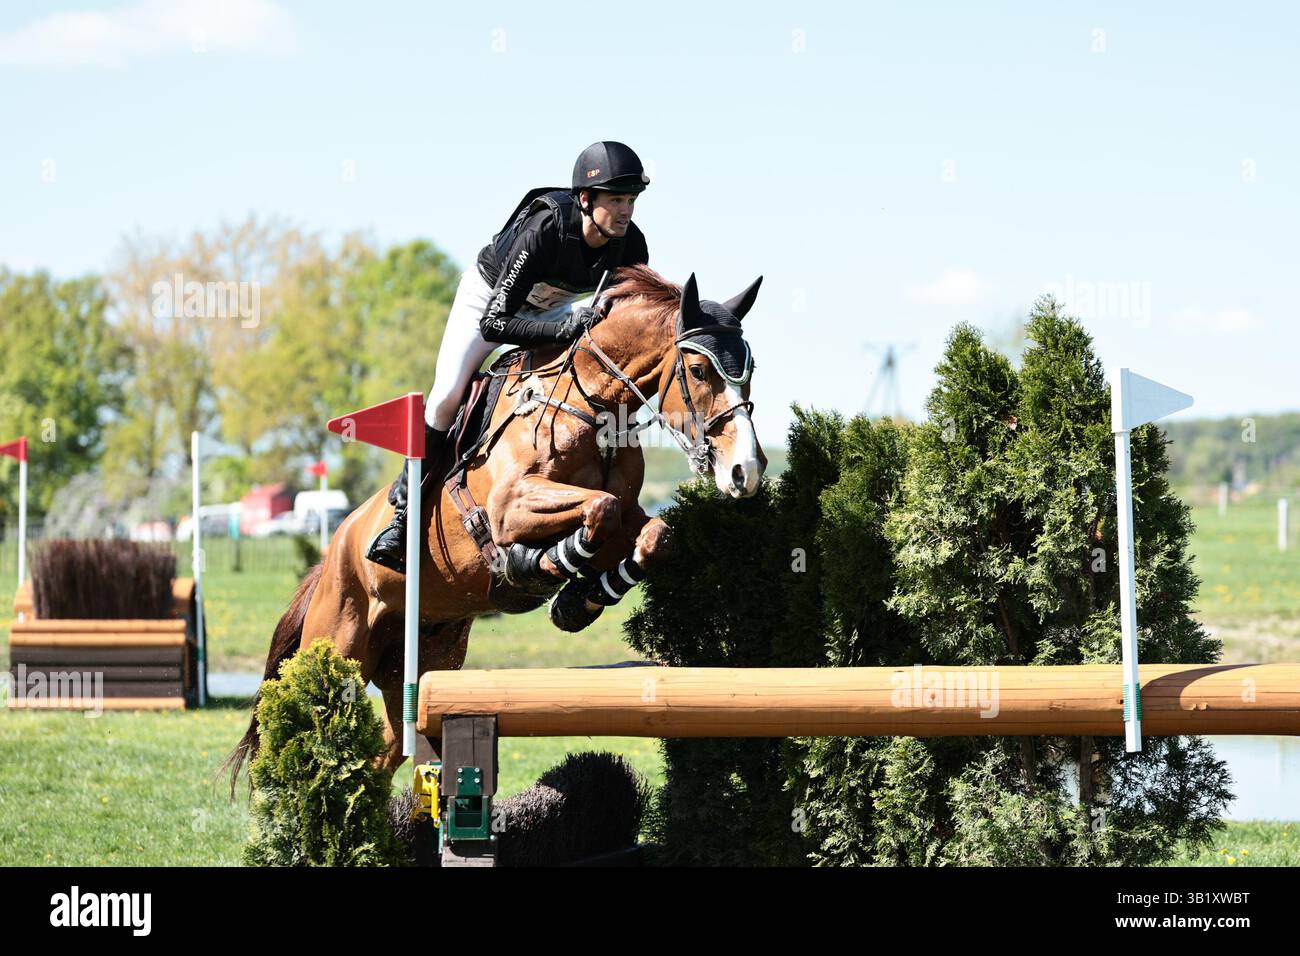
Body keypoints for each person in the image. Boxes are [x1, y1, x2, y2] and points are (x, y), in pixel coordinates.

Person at [366, 141, 651, 571]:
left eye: (630, 200)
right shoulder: (547, 229)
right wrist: (561, 329)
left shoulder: (632, 246)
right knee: (446, 395)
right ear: (586, 198)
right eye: (616, 199)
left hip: (557, 309)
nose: (626, 210)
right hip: (489, 300)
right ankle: (403, 517)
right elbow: (495, 325)